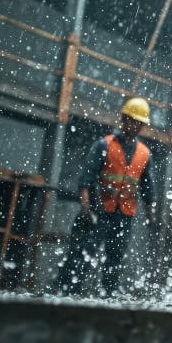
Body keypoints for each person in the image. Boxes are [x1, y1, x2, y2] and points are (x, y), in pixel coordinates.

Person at [57, 97, 156, 297]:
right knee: (84, 252)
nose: (135, 126)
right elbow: (86, 180)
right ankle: (69, 292)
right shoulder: (104, 145)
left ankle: (109, 294)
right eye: (132, 120)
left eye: (139, 123)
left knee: (115, 256)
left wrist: (151, 217)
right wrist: (86, 209)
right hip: (100, 210)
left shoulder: (145, 154)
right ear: (124, 119)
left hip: (124, 215)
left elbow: (148, 191)